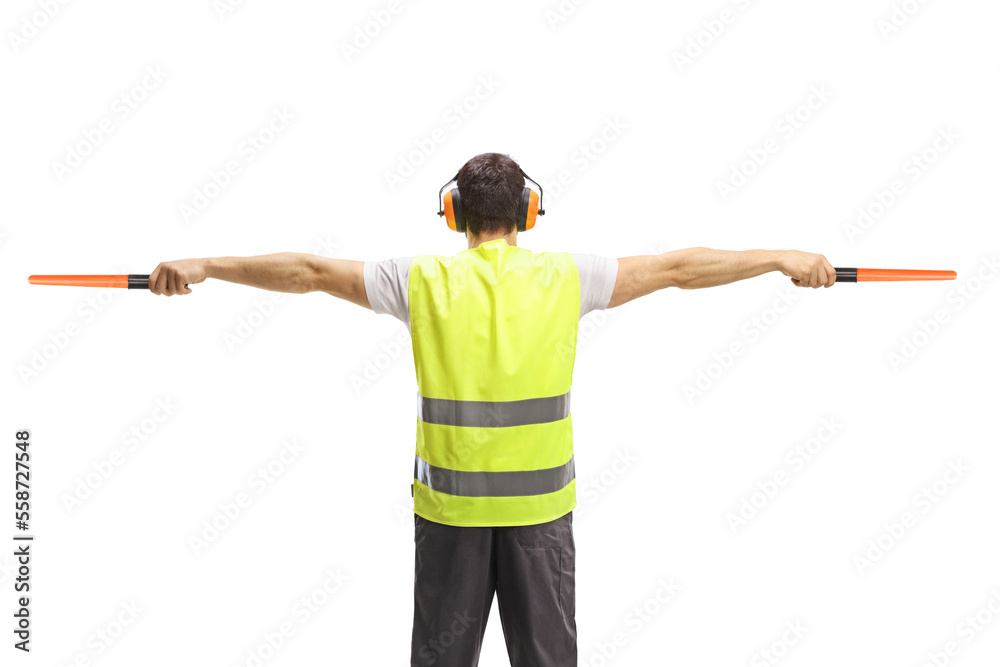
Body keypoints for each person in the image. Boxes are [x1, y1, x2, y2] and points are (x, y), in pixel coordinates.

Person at [148, 152, 837, 666]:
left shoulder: (419, 279)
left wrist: (206, 264)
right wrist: (781, 257)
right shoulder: (569, 276)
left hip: (451, 517)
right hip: (541, 517)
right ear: (528, 213)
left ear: (455, 214)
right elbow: (680, 267)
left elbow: (308, 271)